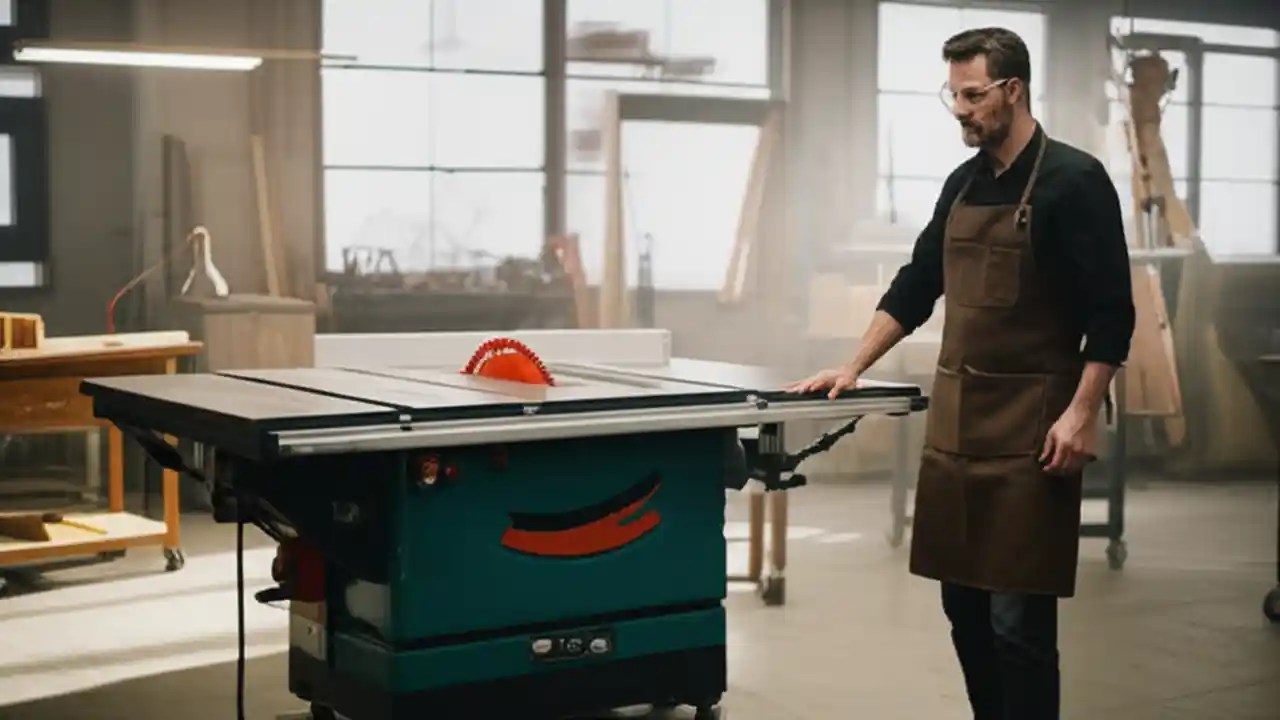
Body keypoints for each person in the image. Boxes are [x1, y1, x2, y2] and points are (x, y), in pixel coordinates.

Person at [786, 27, 1135, 720]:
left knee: (1018, 625)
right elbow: (920, 282)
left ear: (1013, 90)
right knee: (964, 609)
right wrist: (853, 366)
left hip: (1034, 433)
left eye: (973, 95)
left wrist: (1082, 410)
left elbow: (1113, 313)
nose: (961, 110)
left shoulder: (1075, 180)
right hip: (958, 424)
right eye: (953, 95)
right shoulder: (964, 183)